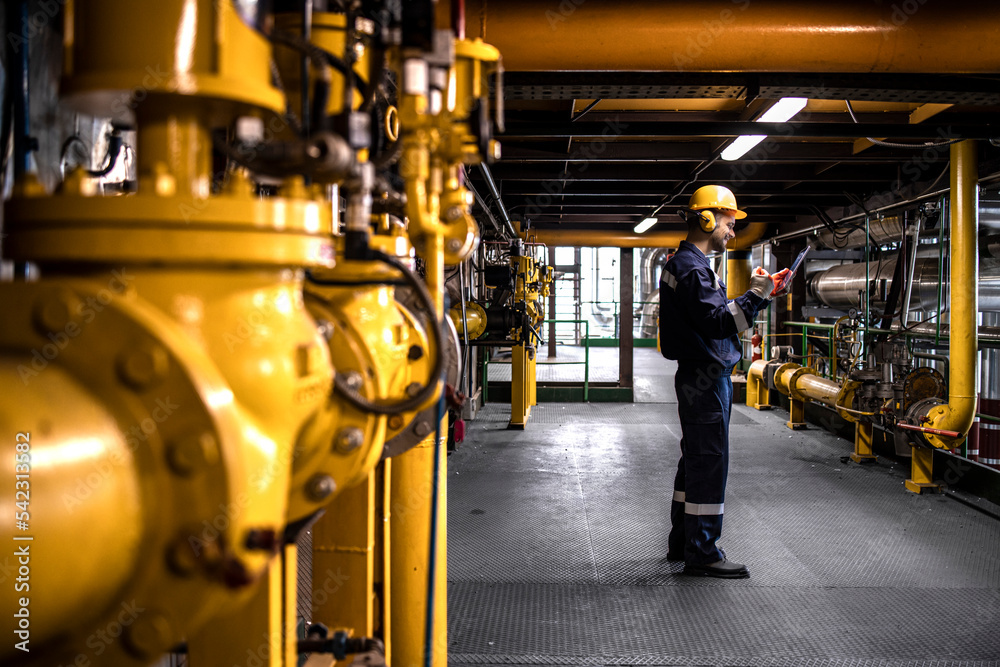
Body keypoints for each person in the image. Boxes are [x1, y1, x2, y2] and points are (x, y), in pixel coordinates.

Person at [658, 184, 786, 579]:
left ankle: (683, 541)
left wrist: (760, 295)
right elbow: (718, 324)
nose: (732, 231)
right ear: (706, 219)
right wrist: (757, 295)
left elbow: (715, 317)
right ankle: (702, 552)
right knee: (710, 462)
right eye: (729, 223)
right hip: (706, 377)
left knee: (696, 460)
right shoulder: (692, 268)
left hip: (701, 374)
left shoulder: (687, 264)